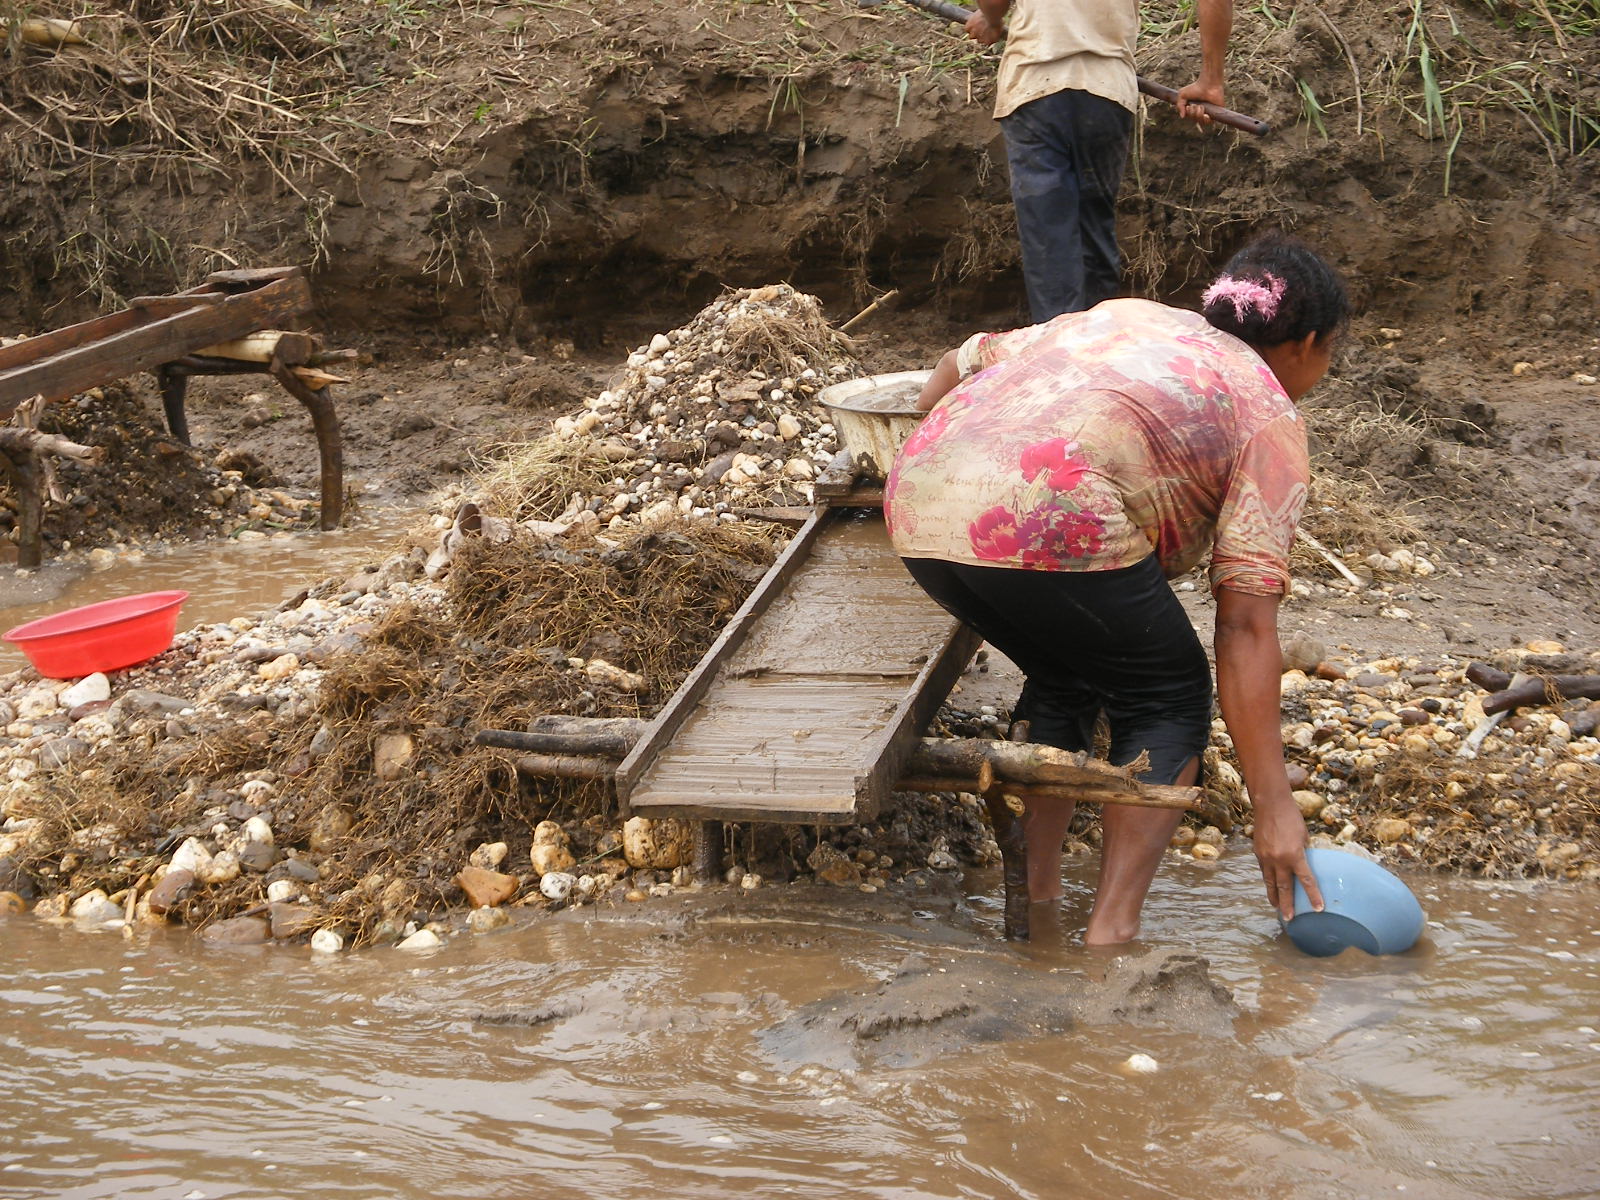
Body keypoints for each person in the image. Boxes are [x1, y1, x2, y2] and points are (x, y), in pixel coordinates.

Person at [884, 233, 1348, 944]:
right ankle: (1109, 937)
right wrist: (1274, 806)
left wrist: (933, 464)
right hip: (1047, 524)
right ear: (1307, 342)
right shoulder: (1269, 414)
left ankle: (1037, 909)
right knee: (1167, 692)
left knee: (1065, 673)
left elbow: (957, 360)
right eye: (1331, 355)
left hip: (917, 501)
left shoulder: (1123, 316)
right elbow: (1245, 626)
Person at [964, 0, 1234, 323]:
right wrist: (1211, 79)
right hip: (1107, 92)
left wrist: (992, 19)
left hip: (1035, 85)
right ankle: (1101, 349)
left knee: (1051, 245)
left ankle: (1062, 354)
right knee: (1094, 236)